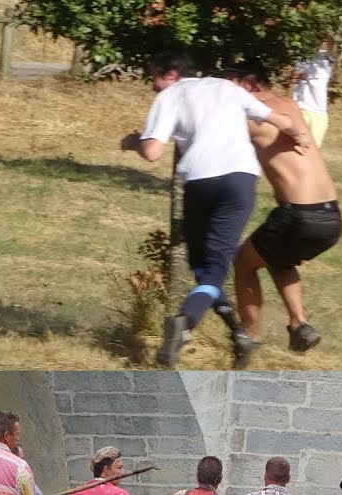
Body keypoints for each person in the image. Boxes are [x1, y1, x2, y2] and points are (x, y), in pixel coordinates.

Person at [120, 49, 311, 369]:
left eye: (154, 78)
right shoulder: (227, 88)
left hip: (200, 184)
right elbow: (280, 120)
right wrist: (300, 135)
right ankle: (236, 333)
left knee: (206, 267)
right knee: (211, 268)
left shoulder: (171, 96)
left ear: (170, 75)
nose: (152, 86)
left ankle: (185, 323)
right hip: (239, 181)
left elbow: (152, 152)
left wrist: (133, 141)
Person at [226, 60, 341, 354]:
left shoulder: (254, 117)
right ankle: (299, 325)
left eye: (230, 84)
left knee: (244, 262)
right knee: (278, 257)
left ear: (248, 84)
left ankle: (248, 339)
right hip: (331, 216)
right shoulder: (289, 104)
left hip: (298, 215)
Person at [293, 35, 337, 148]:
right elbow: (292, 77)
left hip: (317, 112)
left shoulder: (325, 56)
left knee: (313, 150)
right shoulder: (299, 56)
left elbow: (332, 45)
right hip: (299, 108)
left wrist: (326, 32)